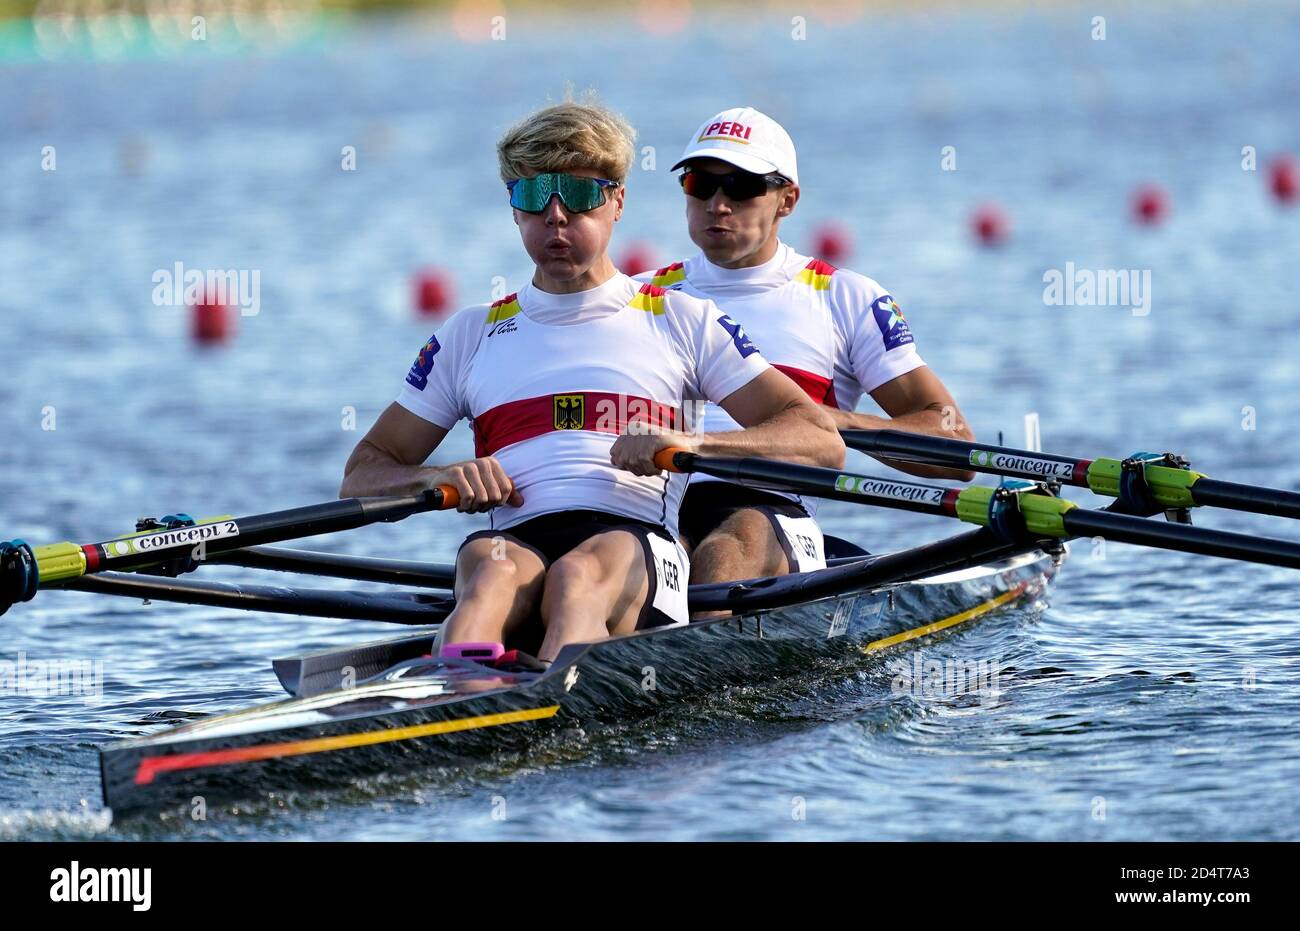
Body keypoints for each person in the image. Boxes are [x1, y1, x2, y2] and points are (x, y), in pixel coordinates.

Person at [340, 99, 843, 666]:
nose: (555, 216)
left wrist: (695, 447)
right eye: (534, 196)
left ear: (617, 202)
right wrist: (436, 473)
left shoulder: (681, 321)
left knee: (577, 577)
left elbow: (818, 438)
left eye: (578, 196)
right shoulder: (468, 334)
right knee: (489, 574)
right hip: (516, 541)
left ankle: (550, 700)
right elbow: (363, 471)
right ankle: (457, 698)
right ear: (514, 210)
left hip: (632, 539)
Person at [637, 106, 975, 588]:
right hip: (645, 504)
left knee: (732, 544)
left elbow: (955, 448)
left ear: (787, 200)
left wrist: (821, 421)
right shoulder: (639, 295)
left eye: (741, 186)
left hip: (767, 512)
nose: (717, 203)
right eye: (700, 184)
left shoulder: (844, 298)